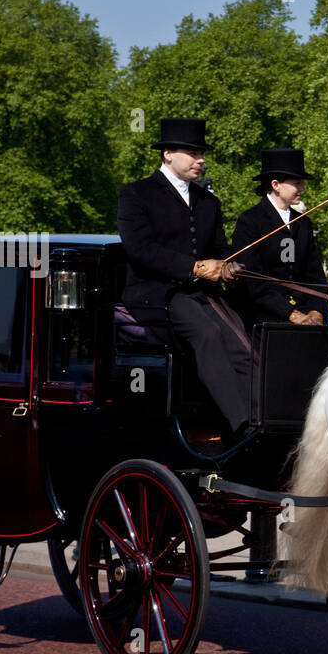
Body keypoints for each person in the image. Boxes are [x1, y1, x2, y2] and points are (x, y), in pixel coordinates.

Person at [117, 118, 253, 436]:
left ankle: (262, 418)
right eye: (193, 153)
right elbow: (140, 250)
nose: (200, 160)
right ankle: (241, 424)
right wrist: (192, 267)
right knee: (207, 333)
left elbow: (221, 251)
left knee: (242, 341)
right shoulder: (136, 194)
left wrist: (229, 269)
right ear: (168, 154)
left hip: (203, 295)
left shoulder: (209, 203)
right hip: (156, 294)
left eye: (201, 154)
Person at [231, 148, 328, 328]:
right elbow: (252, 280)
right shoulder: (250, 221)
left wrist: (317, 311)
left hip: (304, 312)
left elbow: (314, 275)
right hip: (261, 316)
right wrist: (290, 314)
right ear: (276, 185)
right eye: (297, 183)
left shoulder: (303, 223)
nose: (303, 189)